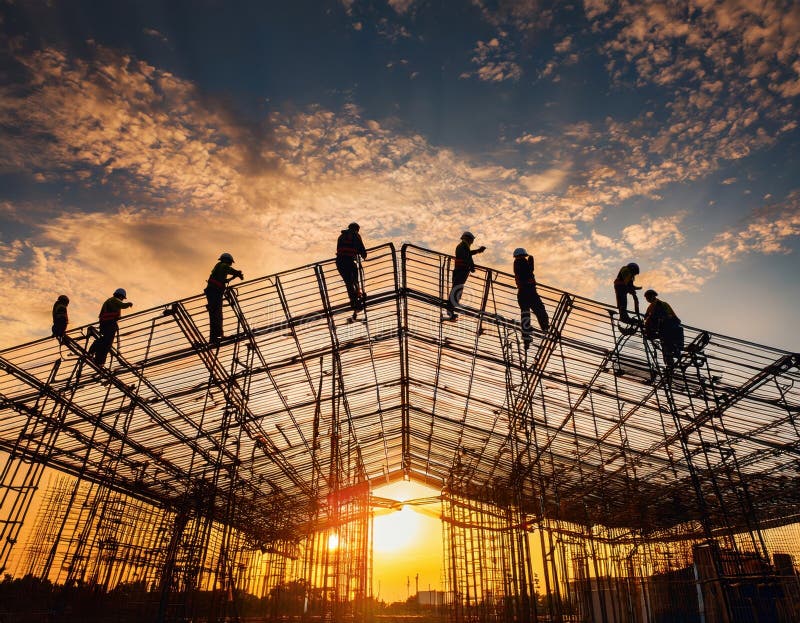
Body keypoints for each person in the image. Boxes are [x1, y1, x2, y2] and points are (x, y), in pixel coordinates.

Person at [512, 248, 549, 349]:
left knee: (525, 316)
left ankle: (526, 339)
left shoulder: (516, 263)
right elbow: (529, 271)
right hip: (530, 292)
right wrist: (531, 262)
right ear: (523, 255)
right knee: (540, 310)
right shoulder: (522, 262)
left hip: (522, 293)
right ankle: (545, 328)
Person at [445, 231, 486, 320]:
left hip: (462, 271)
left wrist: (478, 251)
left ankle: (451, 309)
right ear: (468, 239)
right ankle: (450, 309)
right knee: (456, 289)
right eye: (471, 240)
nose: (472, 242)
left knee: (458, 289)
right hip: (461, 271)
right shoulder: (462, 246)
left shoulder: (464, 247)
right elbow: (467, 257)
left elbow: (468, 255)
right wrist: (471, 266)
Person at [205, 252, 244, 342]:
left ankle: (216, 336)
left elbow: (222, 280)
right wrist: (237, 273)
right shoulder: (223, 265)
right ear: (227, 260)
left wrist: (234, 276)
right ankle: (215, 337)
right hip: (214, 292)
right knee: (216, 314)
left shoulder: (220, 268)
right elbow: (228, 269)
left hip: (214, 292)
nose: (230, 263)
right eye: (230, 262)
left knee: (217, 314)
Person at [90, 288, 133, 366]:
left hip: (106, 323)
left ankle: (99, 361)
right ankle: (97, 357)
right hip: (108, 323)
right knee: (106, 342)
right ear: (120, 296)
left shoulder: (112, 301)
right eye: (122, 298)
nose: (122, 300)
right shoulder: (114, 300)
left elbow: (116, 312)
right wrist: (129, 304)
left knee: (105, 342)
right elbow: (122, 305)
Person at [643, 289, 684, 366]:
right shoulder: (651, 306)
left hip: (668, 325)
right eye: (646, 298)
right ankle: (670, 362)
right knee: (667, 346)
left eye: (648, 297)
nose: (647, 299)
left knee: (668, 345)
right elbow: (647, 317)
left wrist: (649, 329)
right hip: (665, 328)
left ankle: (671, 360)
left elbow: (655, 316)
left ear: (653, 296)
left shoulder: (659, 304)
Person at [336, 222, 367, 321]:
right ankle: (358, 297)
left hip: (340, 262)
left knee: (348, 282)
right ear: (357, 229)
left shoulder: (341, 236)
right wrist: (363, 254)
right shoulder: (355, 235)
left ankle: (353, 301)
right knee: (355, 280)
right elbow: (361, 249)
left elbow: (340, 248)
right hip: (349, 261)